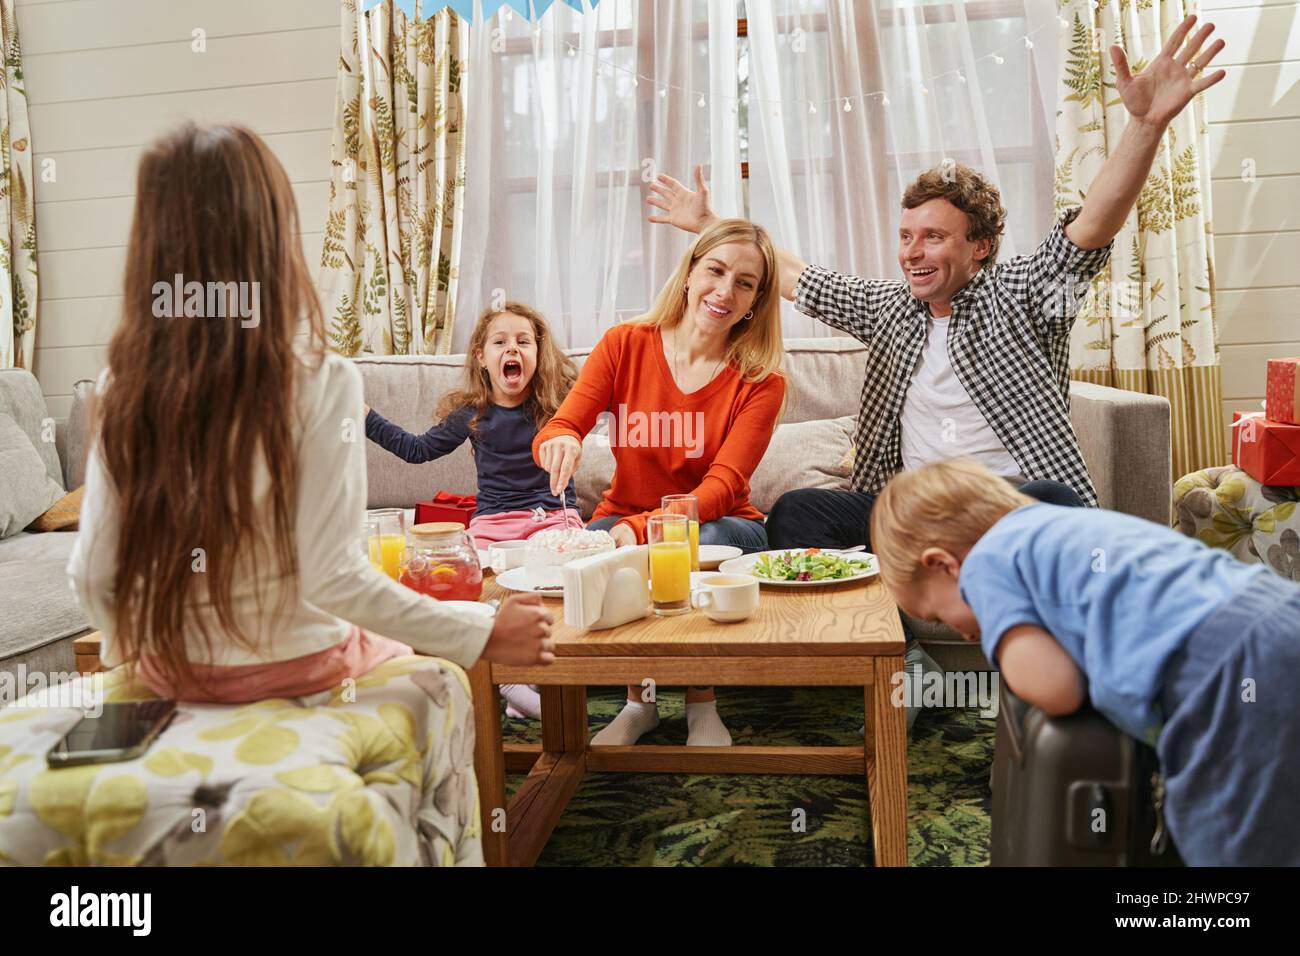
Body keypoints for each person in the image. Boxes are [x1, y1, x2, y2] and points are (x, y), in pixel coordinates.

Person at [647, 14, 1227, 727]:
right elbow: (792, 274)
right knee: (799, 510)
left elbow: (1094, 226)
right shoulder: (890, 308)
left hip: (1010, 506)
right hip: (910, 514)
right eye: (905, 236)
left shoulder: (1024, 295)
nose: (913, 252)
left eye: (934, 237)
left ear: (979, 247)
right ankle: (906, 670)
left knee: (1048, 501)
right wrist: (710, 225)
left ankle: (1065, 686)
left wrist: (1145, 126)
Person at [69, 122, 555, 713]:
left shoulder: (123, 386)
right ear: (272, 238)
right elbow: (334, 578)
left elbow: (95, 577)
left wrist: (148, 661)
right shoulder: (321, 381)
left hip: (171, 672)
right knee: (439, 682)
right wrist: (482, 635)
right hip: (302, 668)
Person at [869, 458, 1300, 866]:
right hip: (1277, 609)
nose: (963, 633)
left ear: (944, 566)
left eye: (937, 614)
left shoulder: (985, 563)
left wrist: (1009, 648)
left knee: (1240, 842)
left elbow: (1057, 688)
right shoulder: (1065, 524)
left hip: (1228, 671)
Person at [534, 218, 786, 747]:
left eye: (745, 283)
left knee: (688, 544)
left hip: (725, 527)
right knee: (598, 554)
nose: (724, 291)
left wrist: (642, 528)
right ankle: (639, 704)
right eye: (715, 271)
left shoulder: (761, 378)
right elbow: (562, 425)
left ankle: (702, 702)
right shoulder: (624, 344)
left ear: (757, 301)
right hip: (625, 516)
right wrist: (560, 442)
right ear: (690, 273)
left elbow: (721, 486)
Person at [364, 302, 580, 721]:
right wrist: (365, 417)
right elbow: (416, 450)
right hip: (492, 526)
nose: (511, 349)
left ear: (538, 353)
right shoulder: (472, 414)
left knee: (562, 581)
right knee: (477, 589)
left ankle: (537, 679)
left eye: (523, 341)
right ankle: (510, 680)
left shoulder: (559, 405)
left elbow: (608, 405)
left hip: (551, 519)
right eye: (499, 342)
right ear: (482, 356)